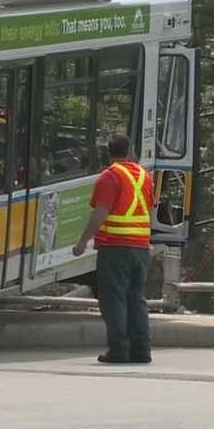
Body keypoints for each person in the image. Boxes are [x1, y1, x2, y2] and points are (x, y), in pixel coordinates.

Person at [72, 134, 155, 364]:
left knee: (114, 298)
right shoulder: (144, 176)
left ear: (108, 152)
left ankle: (119, 350)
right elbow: (148, 209)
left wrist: (82, 242)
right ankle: (141, 350)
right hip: (140, 247)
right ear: (130, 151)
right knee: (136, 298)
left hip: (115, 247)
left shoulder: (110, 176)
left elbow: (101, 212)